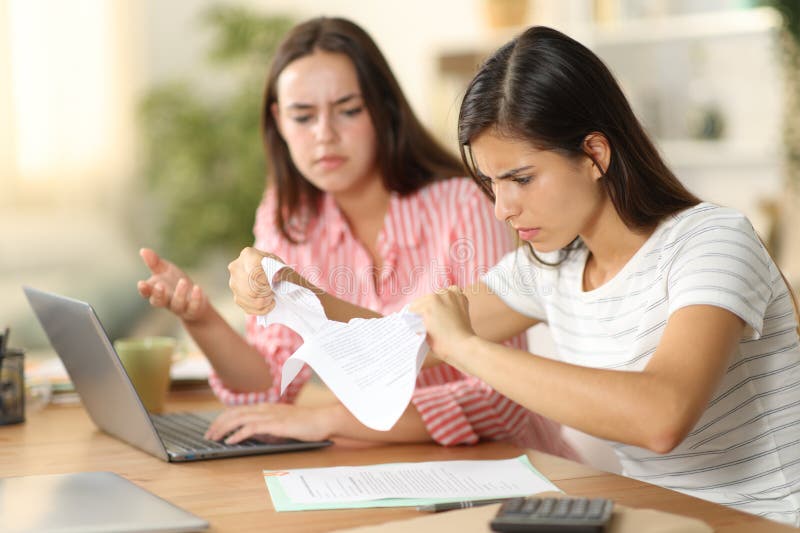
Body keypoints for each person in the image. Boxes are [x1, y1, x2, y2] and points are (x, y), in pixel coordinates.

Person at [227, 26, 800, 525]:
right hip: (654, 518)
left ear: (594, 155)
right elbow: (394, 342)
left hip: (765, 520)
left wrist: (466, 347)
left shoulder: (712, 241)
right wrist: (287, 287)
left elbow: (660, 417)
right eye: (491, 184)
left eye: (521, 179)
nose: (502, 209)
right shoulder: (550, 266)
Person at [138, 17, 577, 458]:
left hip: (506, 468)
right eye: (303, 116)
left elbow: (498, 400)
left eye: (348, 110)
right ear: (279, 121)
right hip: (376, 467)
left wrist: (326, 418)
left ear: (383, 108)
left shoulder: (467, 205)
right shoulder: (287, 216)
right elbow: (271, 389)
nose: (324, 135)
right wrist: (202, 321)